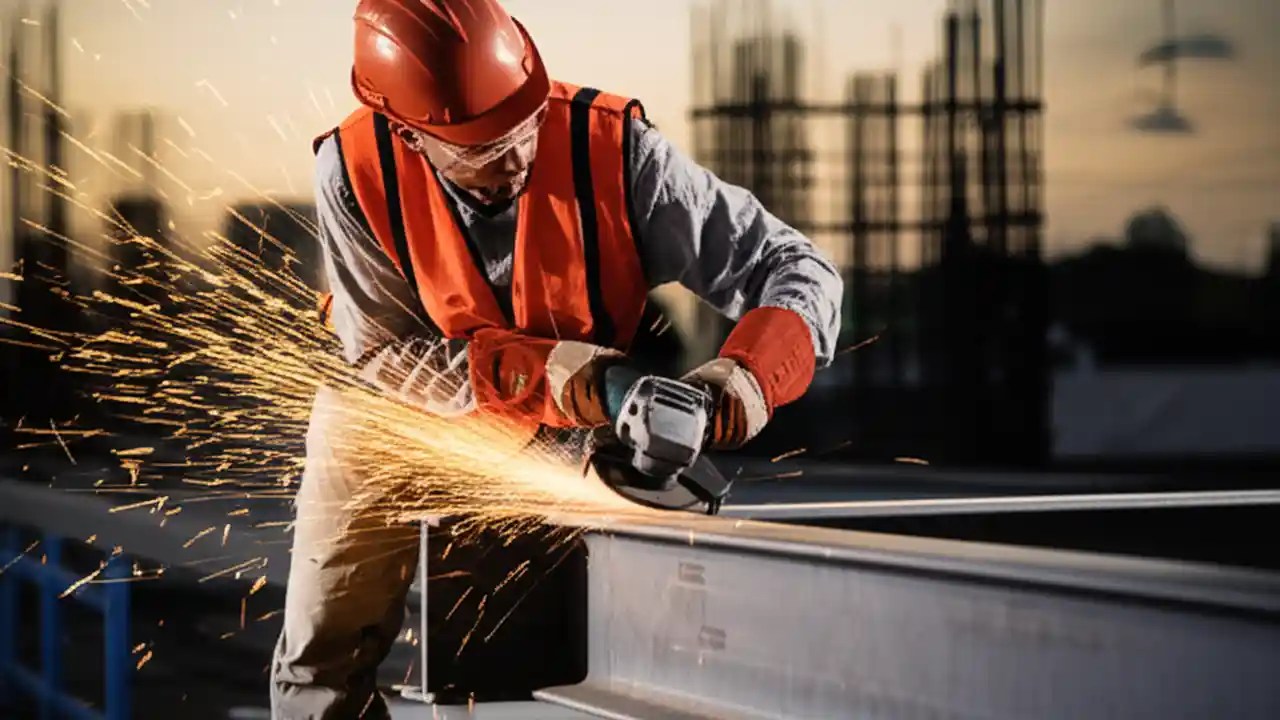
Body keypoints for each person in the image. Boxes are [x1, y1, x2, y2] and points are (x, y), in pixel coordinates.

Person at [270, 0, 843, 716]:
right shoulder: (355, 172)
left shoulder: (617, 153)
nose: (515, 158)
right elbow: (384, 355)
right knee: (319, 665)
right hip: (408, 424)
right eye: (480, 151)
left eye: (526, 126)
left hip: (580, 436)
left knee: (669, 645)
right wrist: (569, 377)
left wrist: (749, 376)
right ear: (409, 136)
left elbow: (797, 267)